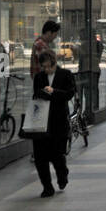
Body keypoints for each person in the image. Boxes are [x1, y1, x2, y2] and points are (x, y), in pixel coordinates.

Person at [31, 47, 75, 197]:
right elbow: (35, 96)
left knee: (57, 155)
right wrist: (42, 93)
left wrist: (54, 92)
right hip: (41, 122)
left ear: (55, 63)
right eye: (43, 67)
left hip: (58, 120)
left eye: (49, 66)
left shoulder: (65, 74)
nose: (46, 69)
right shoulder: (39, 77)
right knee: (40, 157)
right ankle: (47, 187)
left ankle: (62, 174)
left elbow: (70, 93)